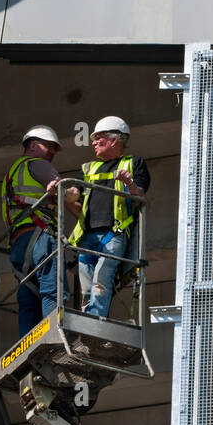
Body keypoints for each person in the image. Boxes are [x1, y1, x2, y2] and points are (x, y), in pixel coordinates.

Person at [0, 125, 81, 336]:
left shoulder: (13, 172)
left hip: (18, 243)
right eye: (49, 147)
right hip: (40, 236)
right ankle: (56, 336)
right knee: (53, 289)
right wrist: (76, 193)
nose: (53, 152)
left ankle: (29, 347)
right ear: (33, 146)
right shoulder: (38, 165)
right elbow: (62, 191)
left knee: (29, 300)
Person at [69, 116, 149, 319]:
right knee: (86, 289)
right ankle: (88, 325)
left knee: (100, 282)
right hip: (87, 235)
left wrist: (129, 184)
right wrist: (58, 191)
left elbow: (140, 197)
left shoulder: (133, 163)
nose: (93, 142)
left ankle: (94, 326)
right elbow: (74, 194)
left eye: (99, 137)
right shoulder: (88, 168)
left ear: (114, 139)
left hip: (113, 233)